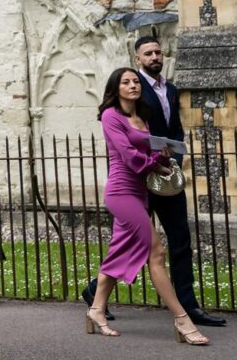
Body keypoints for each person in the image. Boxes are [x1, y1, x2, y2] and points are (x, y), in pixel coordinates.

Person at [83, 37, 226, 329]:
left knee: (179, 237)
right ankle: (175, 316)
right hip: (136, 180)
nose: (154, 57)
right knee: (141, 245)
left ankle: (188, 305)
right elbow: (127, 147)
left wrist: (174, 155)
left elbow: (173, 129)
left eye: (158, 52)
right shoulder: (128, 98)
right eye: (148, 53)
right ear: (137, 59)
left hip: (164, 176)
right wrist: (152, 160)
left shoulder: (170, 89)